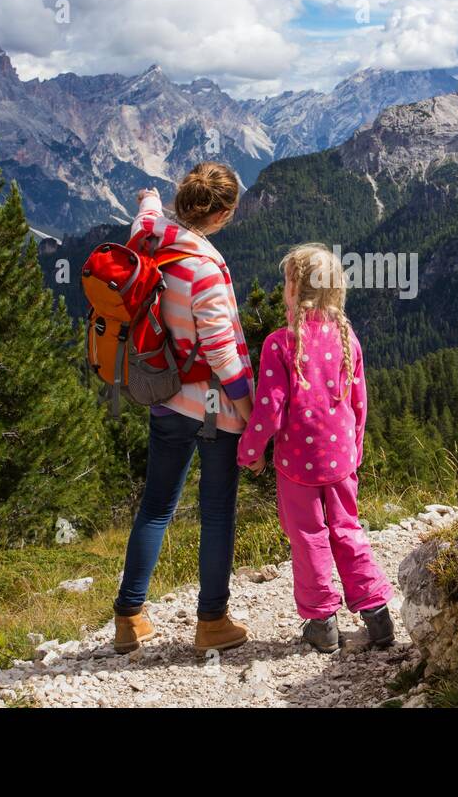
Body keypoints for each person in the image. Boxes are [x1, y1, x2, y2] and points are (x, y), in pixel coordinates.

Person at [112, 162, 254, 657]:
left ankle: (129, 617)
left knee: (155, 506)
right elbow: (222, 354)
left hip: (164, 395)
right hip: (214, 408)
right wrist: (253, 411)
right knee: (216, 512)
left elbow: (145, 216)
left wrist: (148, 200)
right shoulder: (205, 270)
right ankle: (211, 622)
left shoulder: (151, 238)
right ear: (223, 213)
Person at [237, 243, 395, 653]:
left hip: (297, 466)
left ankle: (322, 621)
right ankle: (377, 613)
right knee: (347, 529)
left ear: (293, 289)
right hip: (342, 461)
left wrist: (249, 451)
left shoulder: (279, 343)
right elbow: (359, 403)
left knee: (309, 536)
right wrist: (354, 452)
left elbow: (269, 410)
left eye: (286, 280)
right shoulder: (347, 338)